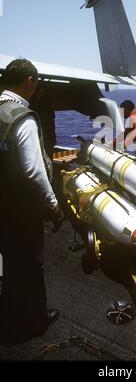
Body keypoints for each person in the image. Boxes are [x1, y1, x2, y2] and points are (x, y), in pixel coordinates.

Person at [0, 58, 63, 343]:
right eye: (36, 83)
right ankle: (34, 321)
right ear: (29, 82)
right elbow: (34, 171)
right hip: (22, 209)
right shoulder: (21, 117)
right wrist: (52, 206)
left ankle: (12, 311)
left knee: (11, 261)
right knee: (30, 263)